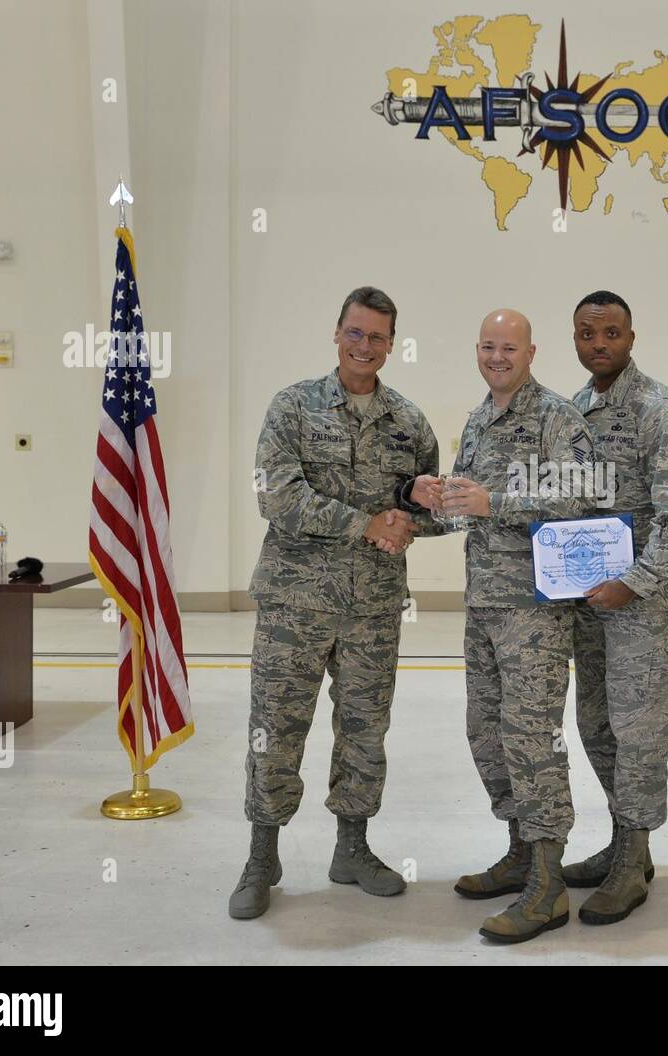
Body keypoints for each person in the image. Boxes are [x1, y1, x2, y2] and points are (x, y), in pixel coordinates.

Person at [230, 286, 438, 920]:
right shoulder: (293, 407)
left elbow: (425, 504)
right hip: (295, 602)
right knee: (276, 728)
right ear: (337, 332)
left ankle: (352, 848)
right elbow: (276, 496)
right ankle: (262, 856)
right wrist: (367, 524)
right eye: (355, 332)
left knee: (365, 731)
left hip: (373, 606)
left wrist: (413, 516)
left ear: (391, 344)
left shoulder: (408, 421)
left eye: (377, 336)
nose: (364, 346)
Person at [405, 308, 595, 943]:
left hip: (535, 613)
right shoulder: (479, 419)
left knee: (531, 740)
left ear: (531, 353)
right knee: (486, 733)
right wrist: (430, 505)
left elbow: (583, 499)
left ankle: (548, 884)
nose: (497, 357)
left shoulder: (557, 418)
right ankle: (519, 851)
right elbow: (470, 512)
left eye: (509, 347)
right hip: (484, 606)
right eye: (487, 346)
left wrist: (497, 502)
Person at [563, 290, 668, 925]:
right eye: (587, 333)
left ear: (631, 337)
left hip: (643, 605)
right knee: (595, 723)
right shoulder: (573, 409)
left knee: (637, 731)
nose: (599, 344)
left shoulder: (657, 408)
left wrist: (635, 582)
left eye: (611, 333)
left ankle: (632, 861)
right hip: (589, 601)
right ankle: (626, 843)